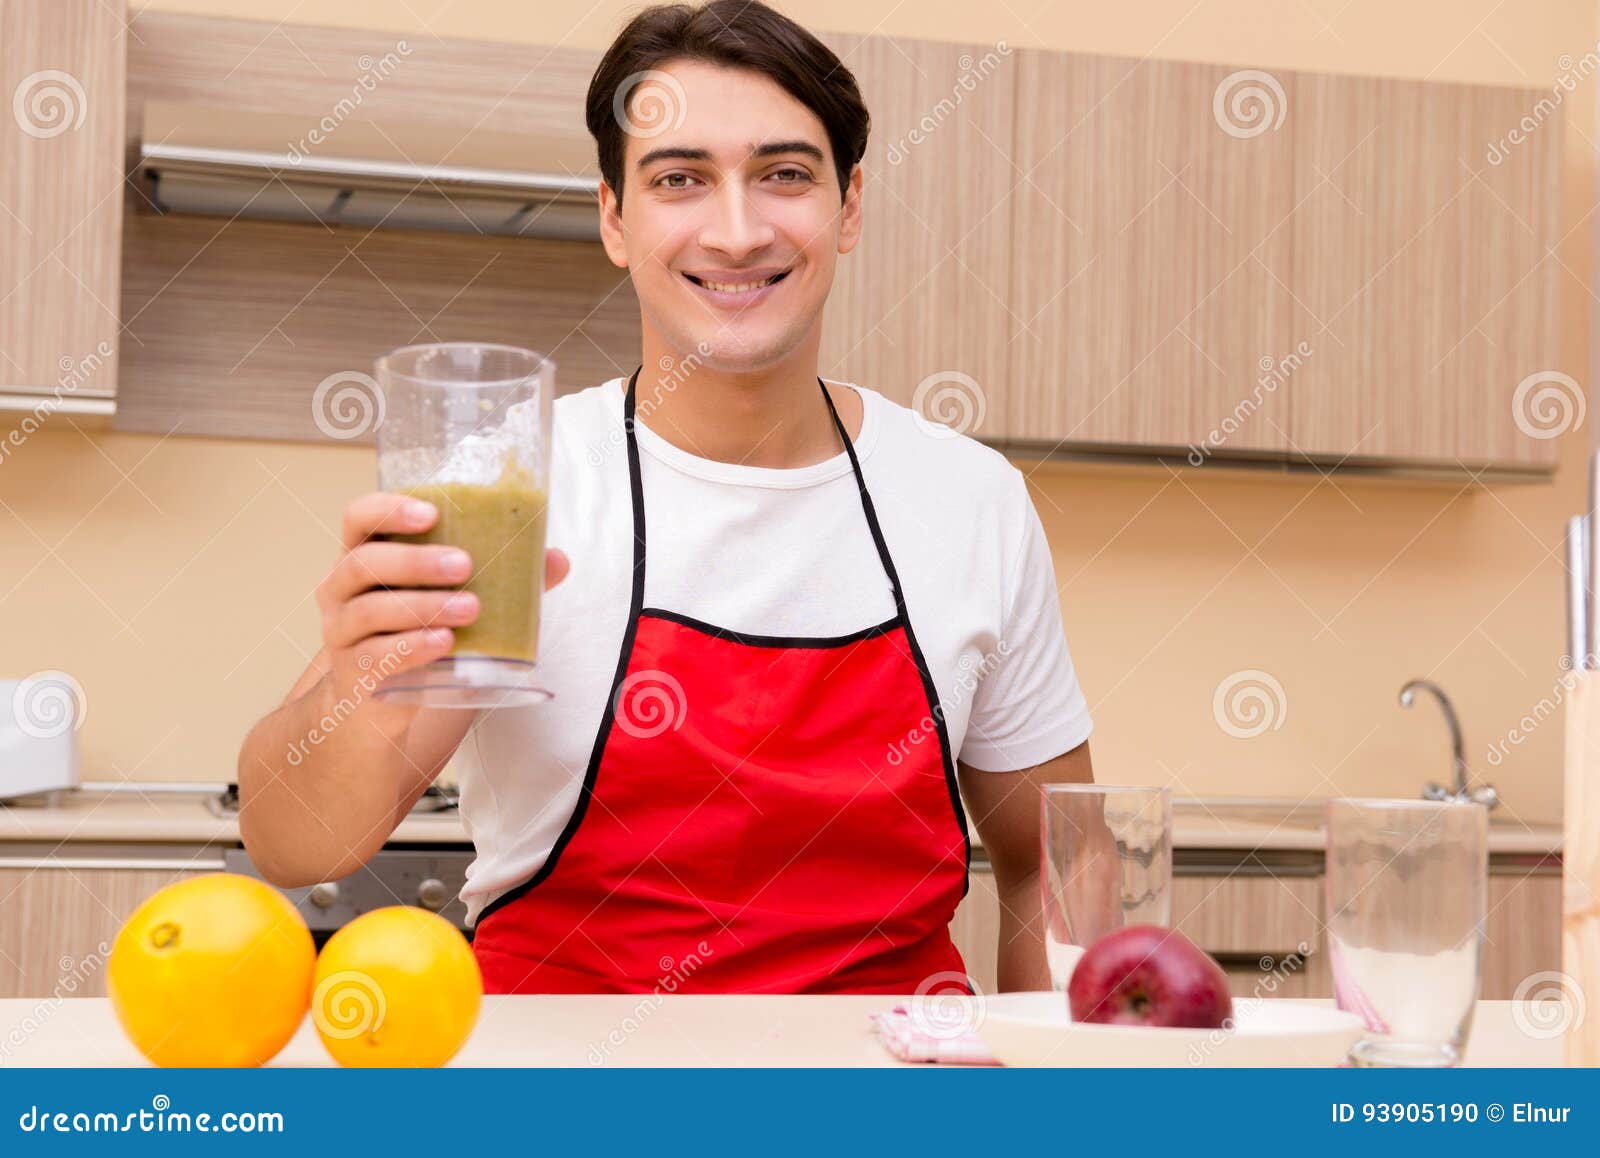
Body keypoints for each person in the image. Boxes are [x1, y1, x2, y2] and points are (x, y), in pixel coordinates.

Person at [238, 0, 1095, 995]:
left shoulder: (969, 498)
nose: (736, 231)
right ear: (615, 217)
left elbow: (1059, 860)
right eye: (679, 179)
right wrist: (359, 681)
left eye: (783, 175)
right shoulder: (513, 485)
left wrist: (1061, 1099)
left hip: (888, 1089)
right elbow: (297, 846)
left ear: (848, 207)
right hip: (562, 1095)